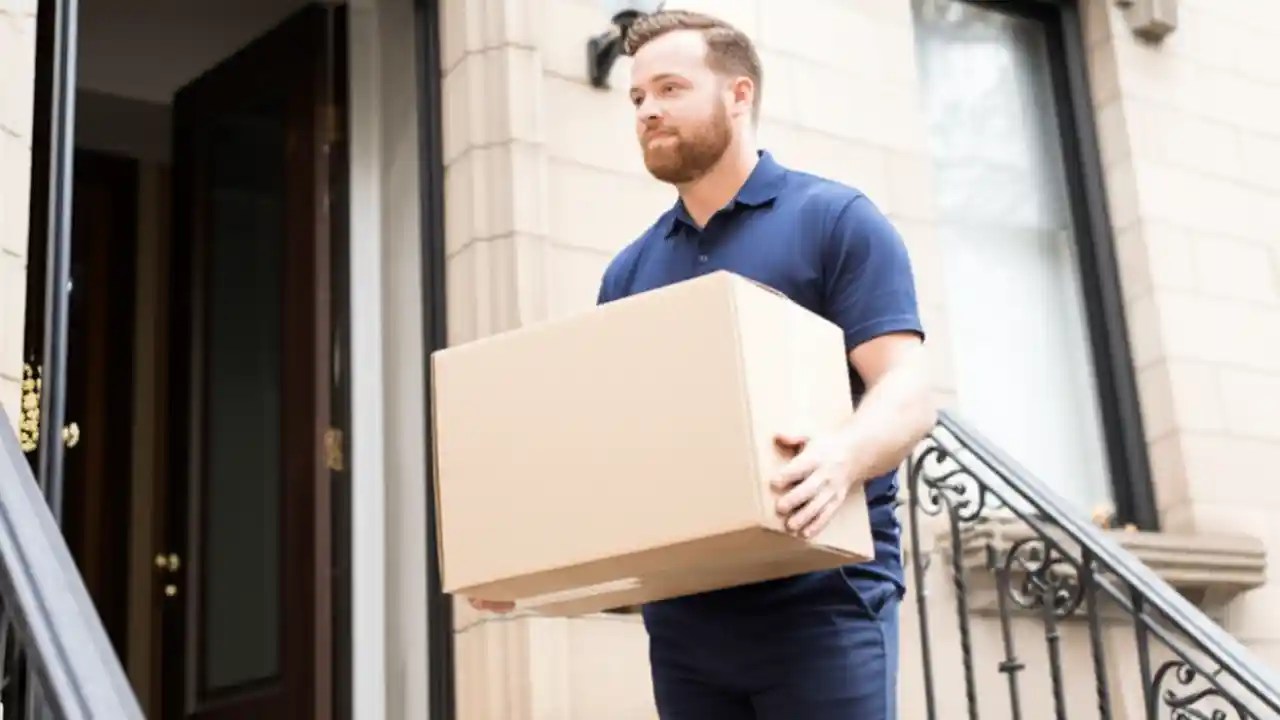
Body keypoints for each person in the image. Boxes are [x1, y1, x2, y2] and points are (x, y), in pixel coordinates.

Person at [468, 9, 936, 719]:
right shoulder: (629, 272)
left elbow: (906, 386)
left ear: (739, 94)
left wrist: (842, 456)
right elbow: (617, 451)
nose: (647, 109)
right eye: (635, 98)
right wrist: (530, 565)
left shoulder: (835, 220)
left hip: (822, 602)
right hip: (685, 620)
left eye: (669, 88)